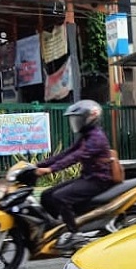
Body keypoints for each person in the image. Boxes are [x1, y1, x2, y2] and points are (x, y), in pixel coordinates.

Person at [35, 99, 113, 249]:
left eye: (78, 119)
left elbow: (76, 157)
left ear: (90, 118)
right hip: (88, 177)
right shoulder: (86, 136)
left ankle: (74, 234)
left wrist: (51, 169)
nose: (75, 123)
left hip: (99, 180)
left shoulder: (96, 138)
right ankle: (57, 228)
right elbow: (67, 153)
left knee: (60, 197)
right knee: (46, 195)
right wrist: (38, 166)